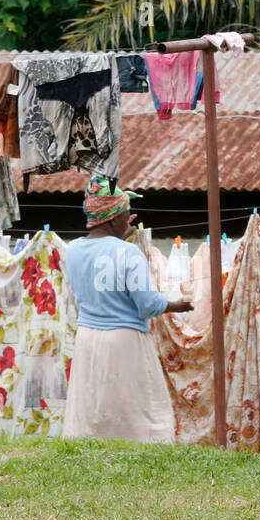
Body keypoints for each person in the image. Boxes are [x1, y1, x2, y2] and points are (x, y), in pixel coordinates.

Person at [63, 176, 192, 443]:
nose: (129, 218)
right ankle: (148, 454)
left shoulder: (72, 250)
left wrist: (119, 238)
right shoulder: (129, 254)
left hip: (87, 338)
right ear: (111, 219)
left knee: (96, 407)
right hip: (124, 339)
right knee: (144, 411)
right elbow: (147, 304)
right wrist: (176, 305)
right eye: (124, 214)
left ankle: (93, 453)